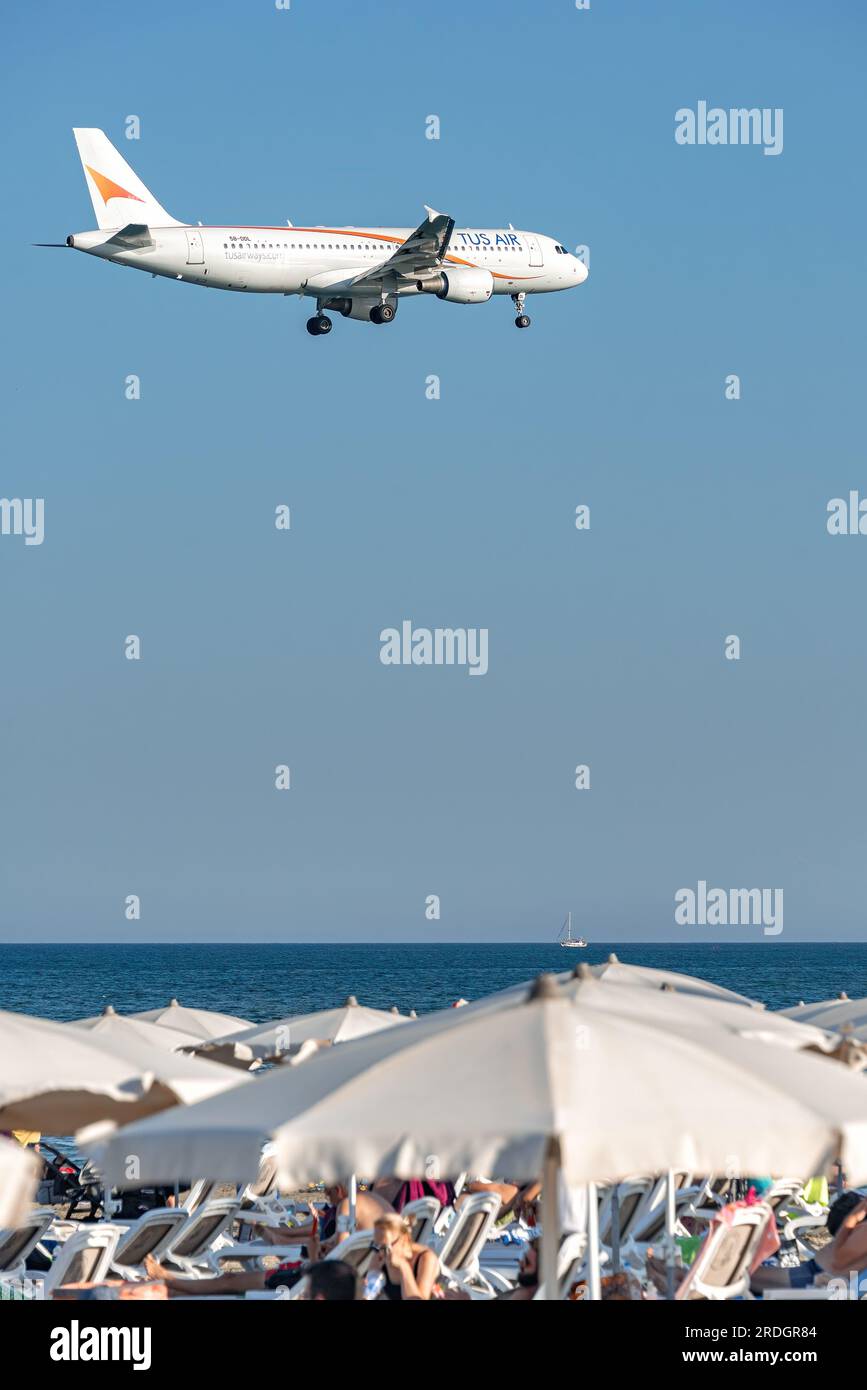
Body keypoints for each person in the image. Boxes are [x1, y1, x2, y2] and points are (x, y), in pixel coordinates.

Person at [368, 1212, 440, 1300]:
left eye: (384, 1247)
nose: (380, 1253)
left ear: (403, 1239)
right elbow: (368, 1294)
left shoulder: (426, 1258)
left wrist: (403, 1266)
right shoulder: (379, 1257)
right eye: (375, 1245)